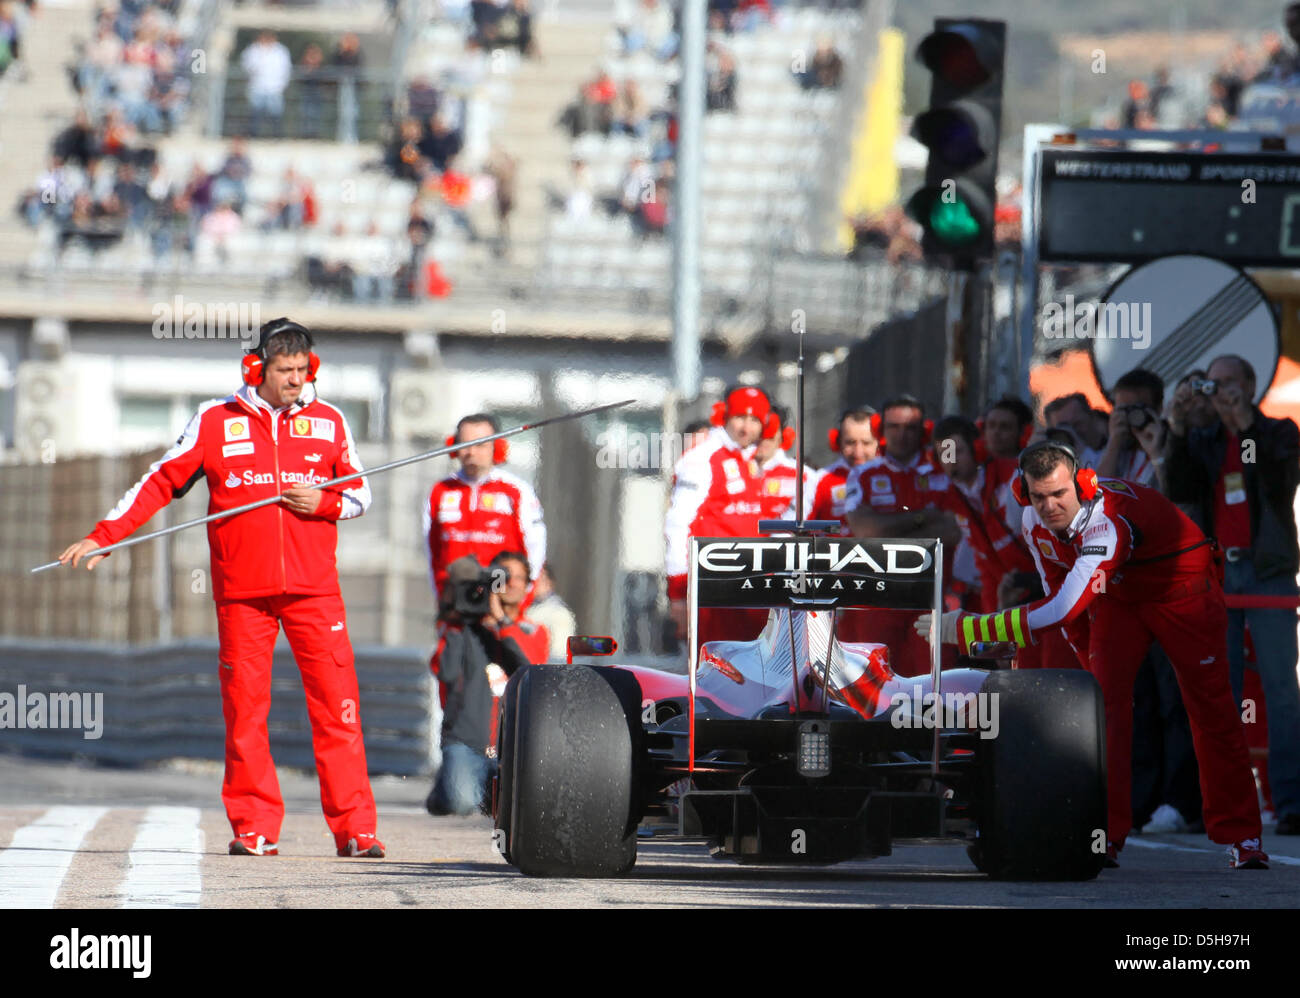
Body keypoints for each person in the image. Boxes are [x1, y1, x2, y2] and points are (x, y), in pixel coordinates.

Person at [58, 319, 384, 858]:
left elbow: (360, 496)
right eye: (284, 371)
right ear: (256, 368)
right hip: (241, 595)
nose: (296, 381)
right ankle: (254, 827)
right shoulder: (215, 420)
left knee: (339, 710)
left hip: (315, 592)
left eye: (304, 370)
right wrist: (104, 536)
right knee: (244, 712)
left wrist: (321, 503)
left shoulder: (329, 422)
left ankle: (356, 830)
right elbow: (160, 480)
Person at [918, 441, 1268, 868]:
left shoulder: (1107, 525)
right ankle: (1103, 835)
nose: (1049, 506)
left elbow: (1063, 606)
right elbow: (1060, 602)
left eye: (1059, 494)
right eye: (1039, 496)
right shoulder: (1033, 521)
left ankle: (1243, 836)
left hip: (1184, 593)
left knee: (1211, 708)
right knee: (1099, 710)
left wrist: (970, 627)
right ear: (1023, 493)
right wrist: (1088, 662)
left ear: (1084, 484)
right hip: (1118, 597)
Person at [1164, 354, 1300, 836]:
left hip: (1267, 574)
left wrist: (1245, 424)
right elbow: (1176, 486)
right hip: (1217, 574)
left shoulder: (1278, 431)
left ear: (1249, 384)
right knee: (1219, 693)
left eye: (1228, 384)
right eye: (1211, 383)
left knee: (1282, 694)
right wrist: (1178, 427)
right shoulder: (1201, 440)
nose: (1219, 392)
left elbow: (1277, 482)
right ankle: (1219, 803)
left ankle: (1289, 804)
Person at [843, 395, 961, 673]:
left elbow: (952, 531)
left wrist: (888, 526)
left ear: (924, 430)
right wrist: (922, 518)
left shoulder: (944, 472)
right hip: (877, 595)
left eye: (910, 428)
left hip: (930, 593)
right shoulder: (862, 475)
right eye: (894, 427)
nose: (902, 435)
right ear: (880, 430)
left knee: (934, 679)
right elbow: (865, 531)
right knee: (874, 681)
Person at [427, 550, 549, 815]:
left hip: (512, 749)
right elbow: (444, 672)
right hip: (467, 741)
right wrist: (457, 621)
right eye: (503, 577)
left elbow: (531, 669)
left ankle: (450, 781)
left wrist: (501, 622)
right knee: (462, 804)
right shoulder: (466, 627)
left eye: (518, 578)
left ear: (528, 584)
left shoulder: (533, 630)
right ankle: (450, 782)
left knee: (515, 811)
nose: (511, 583)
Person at [664, 385, 770, 647]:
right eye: (740, 418)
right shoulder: (702, 457)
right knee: (715, 677)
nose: (747, 427)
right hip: (712, 590)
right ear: (725, 416)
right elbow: (678, 525)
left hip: (753, 591)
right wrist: (678, 592)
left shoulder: (752, 459)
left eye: (755, 420)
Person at [423, 411, 547, 606]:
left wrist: (520, 599)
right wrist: (442, 599)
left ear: (497, 447)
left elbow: (535, 547)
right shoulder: (440, 491)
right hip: (456, 606)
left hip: (504, 606)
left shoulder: (516, 490)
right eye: (464, 445)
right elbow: (432, 552)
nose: (471, 452)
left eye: (480, 444)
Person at [809, 406, 878, 527]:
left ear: (879, 442)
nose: (858, 452)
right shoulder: (819, 480)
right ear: (837, 441)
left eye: (866, 443)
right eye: (850, 442)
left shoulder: (893, 476)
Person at [1097, 368, 1166, 489]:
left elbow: (1176, 495)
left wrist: (1156, 454)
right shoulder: (1119, 449)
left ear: (1159, 408)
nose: (1130, 416)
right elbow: (1098, 491)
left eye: (1137, 409)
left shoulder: (1175, 442)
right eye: (1123, 409)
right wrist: (1114, 442)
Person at [756, 406, 818, 520]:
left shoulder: (804, 476)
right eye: (760, 430)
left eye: (771, 430)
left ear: (783, 434)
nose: (764, 438)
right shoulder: (729, 470)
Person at [240, 30, 291, 139]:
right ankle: (254, 135)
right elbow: (246, 65)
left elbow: (286, 69)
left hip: (275, 87)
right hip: (257, 86)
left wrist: (282, 85)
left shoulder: (281, 51)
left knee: (276, 113)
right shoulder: (253, 50)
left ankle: (277, 136)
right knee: (255, 112)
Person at [527, 563, 576, 661]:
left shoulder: (559, 613)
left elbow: (560, 654)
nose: (535, 583)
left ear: (549, 583)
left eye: (540, 579)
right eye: (531, 580)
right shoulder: (527, 606)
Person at [1044, 392, 1106, 468]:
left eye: (1077, 424)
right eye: (1063, 427)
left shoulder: (1116, 448)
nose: (1071, 432)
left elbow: (1098, 477)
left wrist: (1082, 452)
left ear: (1092, 418)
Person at [979, 395, 1034, 462]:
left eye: (1004, 427)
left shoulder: (1029, 465)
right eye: (991, 425)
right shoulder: (975, 466)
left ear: (1021, 431)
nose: (996, 432)